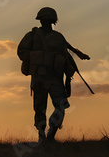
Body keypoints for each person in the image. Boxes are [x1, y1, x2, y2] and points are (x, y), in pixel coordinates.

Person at [17, 7, 89, 144]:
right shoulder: (32, 36)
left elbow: (67, 51)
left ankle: (51, 133)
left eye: (47, 20)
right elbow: (21, 52)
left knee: (61, 106)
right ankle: (41, 135)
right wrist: (38, 57)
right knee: (39, 108)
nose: (45, 22)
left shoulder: (58, 37)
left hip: (55, 77)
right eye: (44, 20)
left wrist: (76, 58)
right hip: (39, 77)